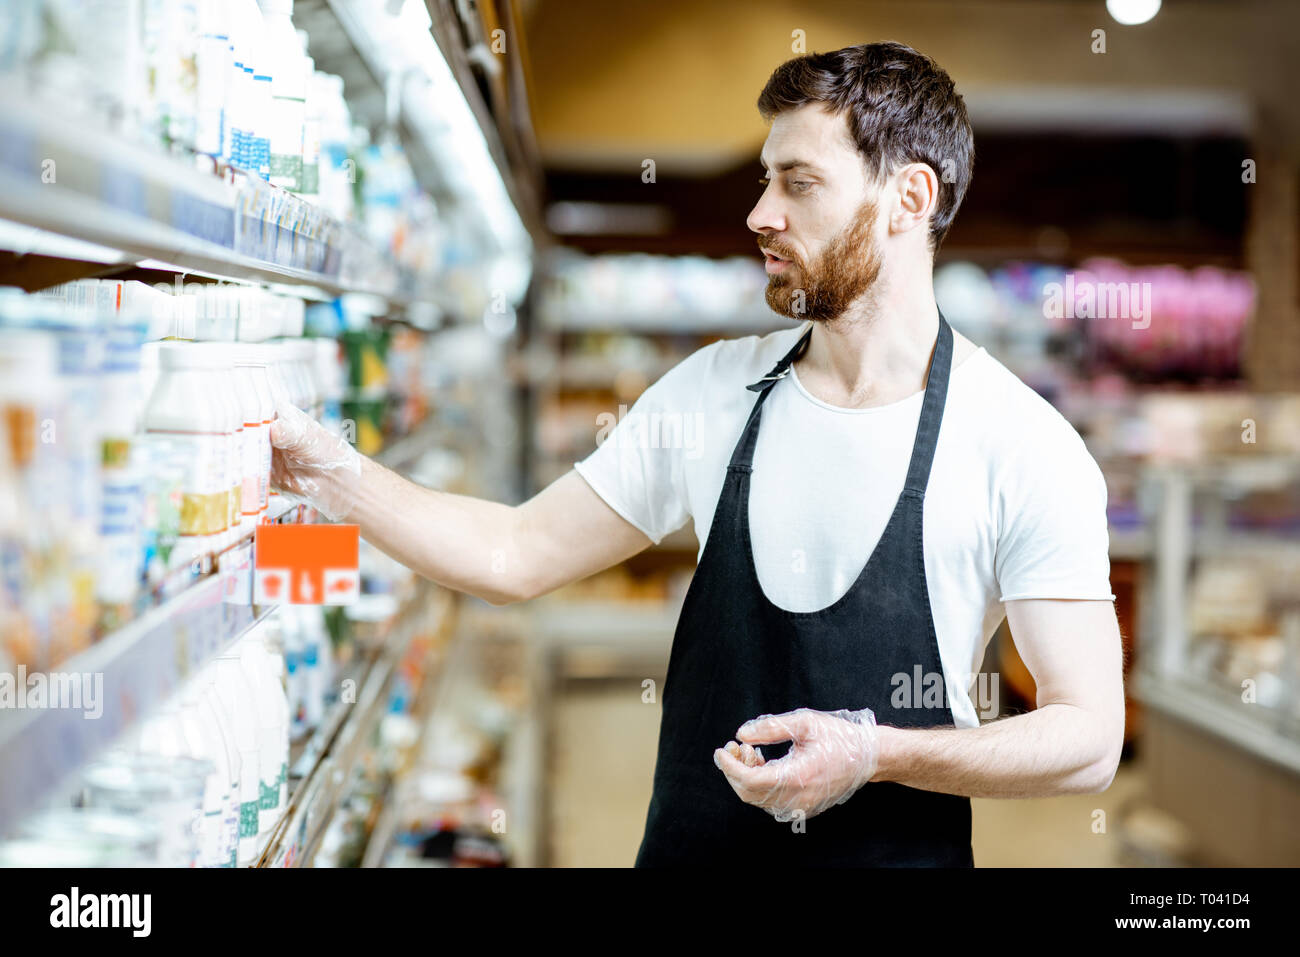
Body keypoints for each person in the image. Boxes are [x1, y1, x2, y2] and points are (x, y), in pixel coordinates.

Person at [270, 41, 1125, 867]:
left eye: (799, 182)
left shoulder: (1019, 444)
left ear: (909, 198)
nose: (760, 213)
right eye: (765, 179)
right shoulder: (712, 392)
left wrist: (877, 752)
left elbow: (1088, 736)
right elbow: (512, 553)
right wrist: (317, 465)